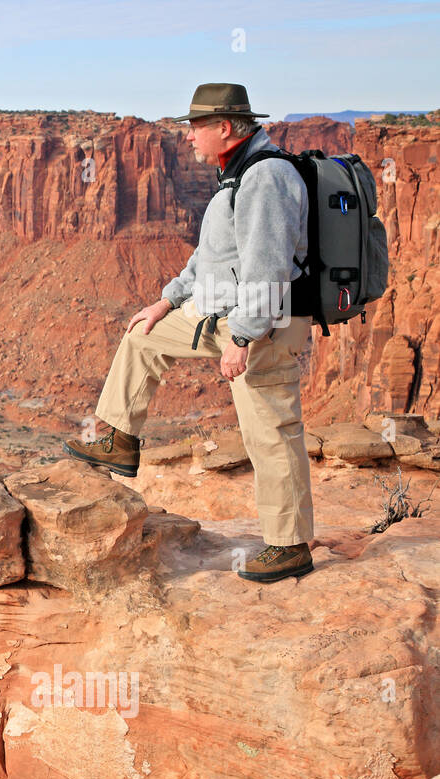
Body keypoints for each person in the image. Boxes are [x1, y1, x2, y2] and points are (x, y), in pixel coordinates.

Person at [64, 82, 315, 583]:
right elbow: (208, 259)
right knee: (142, 336)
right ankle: (118, 439)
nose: (188, 138)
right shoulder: (233, 174)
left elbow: (268, 269)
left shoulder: (266, 178)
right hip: (219, 314)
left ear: (224, 128)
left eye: (194, 128)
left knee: (268, 428)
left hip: (265, 323)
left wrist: (242, 339)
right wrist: (166, 301)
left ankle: (290, 546)